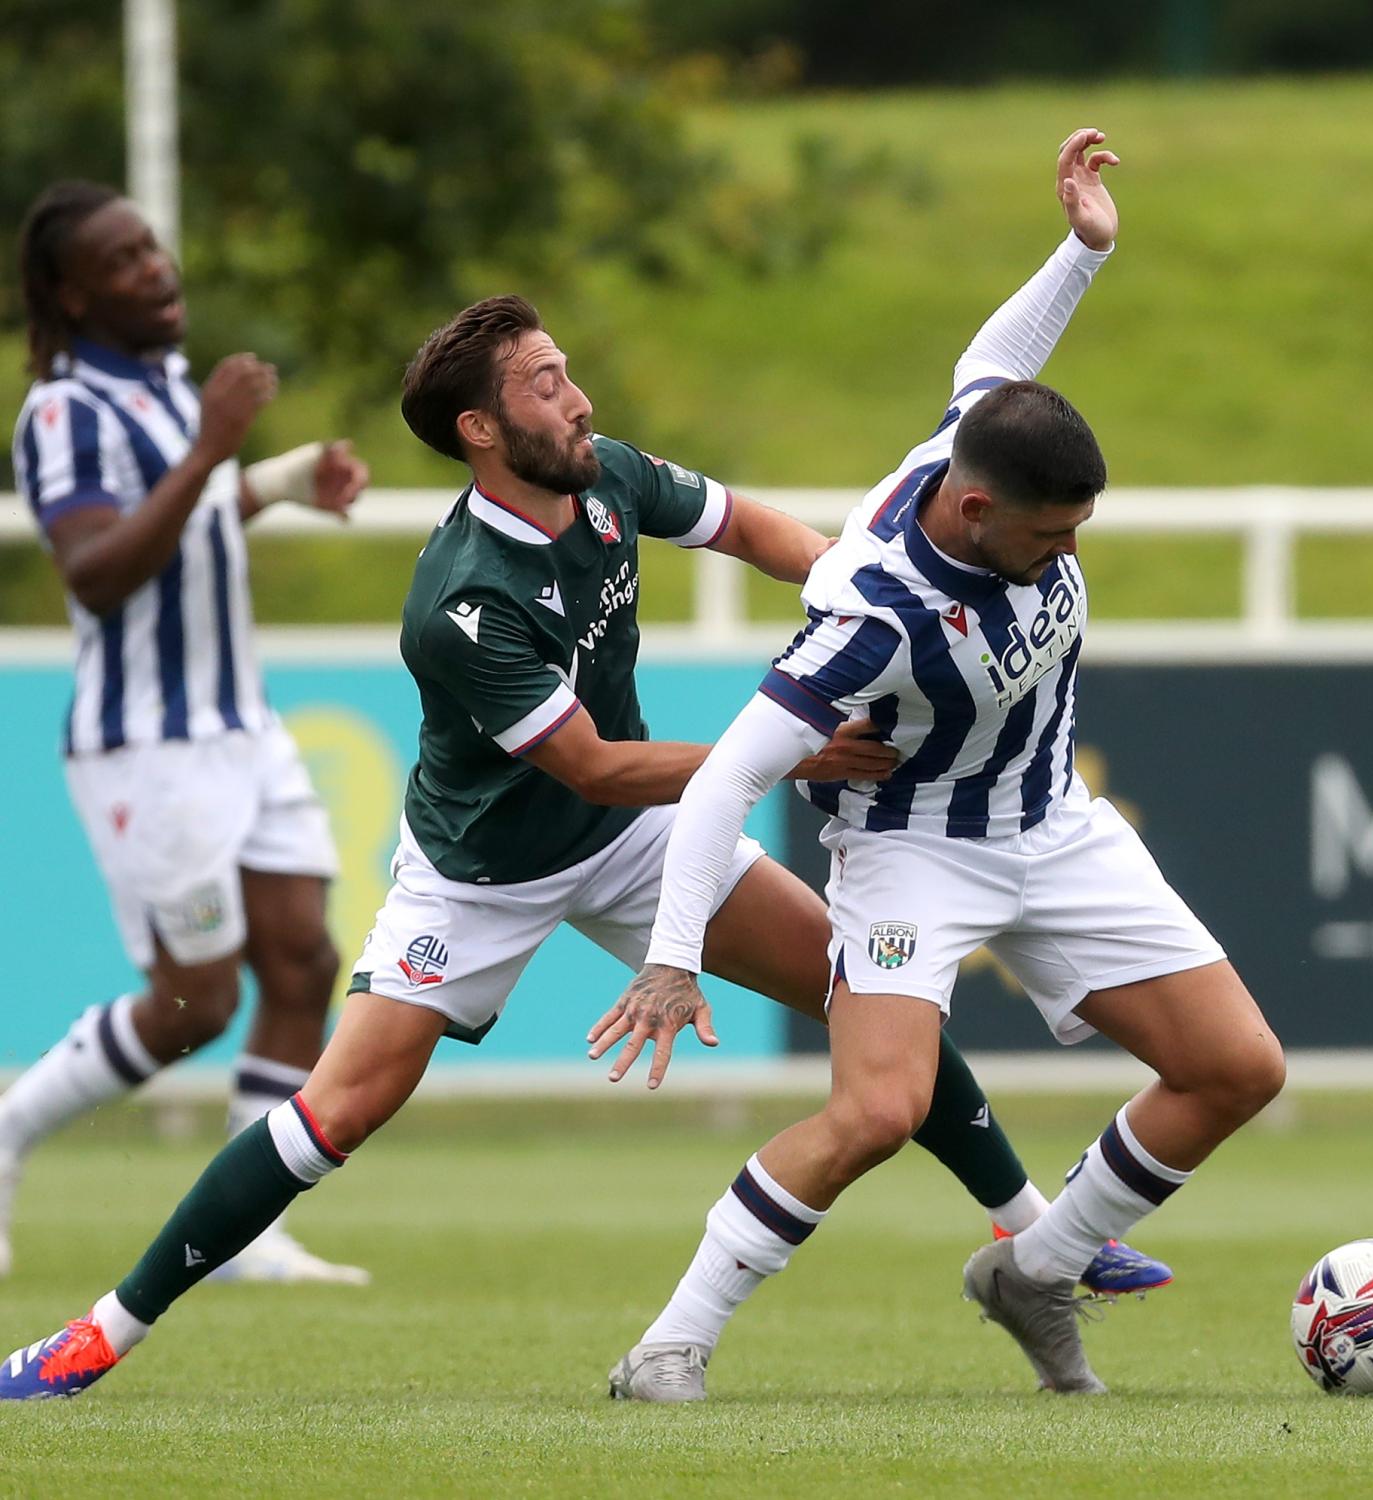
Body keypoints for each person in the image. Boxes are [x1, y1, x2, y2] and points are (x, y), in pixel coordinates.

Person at [0, 291, 1166, 1400]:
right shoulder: (462, 600)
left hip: (629, 838)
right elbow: (590, 763)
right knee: (336, 1113)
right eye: (547, 386)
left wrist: (864, 597)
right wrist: (792, 749)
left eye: (567, 375)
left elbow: (749, 526)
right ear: (481, 429)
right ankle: (102, 1333)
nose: (580, 402)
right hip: (480, 874)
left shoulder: (605, 480)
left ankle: (1027, 1229)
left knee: (854, 980)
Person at [592, 128, 1286, 1403]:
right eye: (1052, 531)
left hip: (1053, 824)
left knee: (1238, 1069)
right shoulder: (871, 616)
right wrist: (671, 954)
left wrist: (1080, 251)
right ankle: (668, 1348)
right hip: (913, 853)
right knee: (876, 1113)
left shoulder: (976, 447)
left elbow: (993, 364)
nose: (1068, 548)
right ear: (973, 513)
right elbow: (723, 781)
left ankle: (1036, 1268)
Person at [1, 181, 370, 1285]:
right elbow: (98, 570)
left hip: (240, 729)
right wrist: (211, 449)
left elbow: (188, 513)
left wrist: (282, 478)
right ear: (72, 294)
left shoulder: (162, 388)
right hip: (146, 750)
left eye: (153, 247)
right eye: (122, 261)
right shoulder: (63, 412)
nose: (157, 269)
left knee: (304, 959)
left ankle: (245, 1233)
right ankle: (9, 1130)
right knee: (193, 1004)